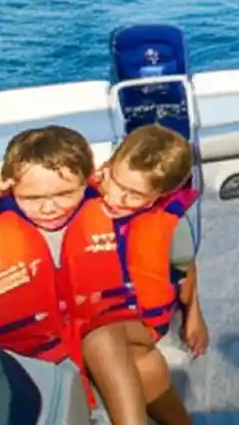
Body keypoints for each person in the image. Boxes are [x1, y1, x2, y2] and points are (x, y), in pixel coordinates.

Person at [0, 126, 187, 425]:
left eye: (65, 193)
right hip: (43, 339)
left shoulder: (107, 207)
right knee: (139, 361)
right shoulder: (0, 223)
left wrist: (193, 314)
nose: (49, 207)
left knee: (101, 334)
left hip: (117, 324)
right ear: (13, 190)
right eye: (33, 197)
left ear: (87, 182)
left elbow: (163, 206)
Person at [91, 124, 209, 365]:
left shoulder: (166, 220)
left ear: (159, 196)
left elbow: (184, 268)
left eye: (135, 194)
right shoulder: (76, 198)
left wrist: (194, 316)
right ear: (111, 165)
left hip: (146, 325)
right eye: (116, 182)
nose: (117, 198)